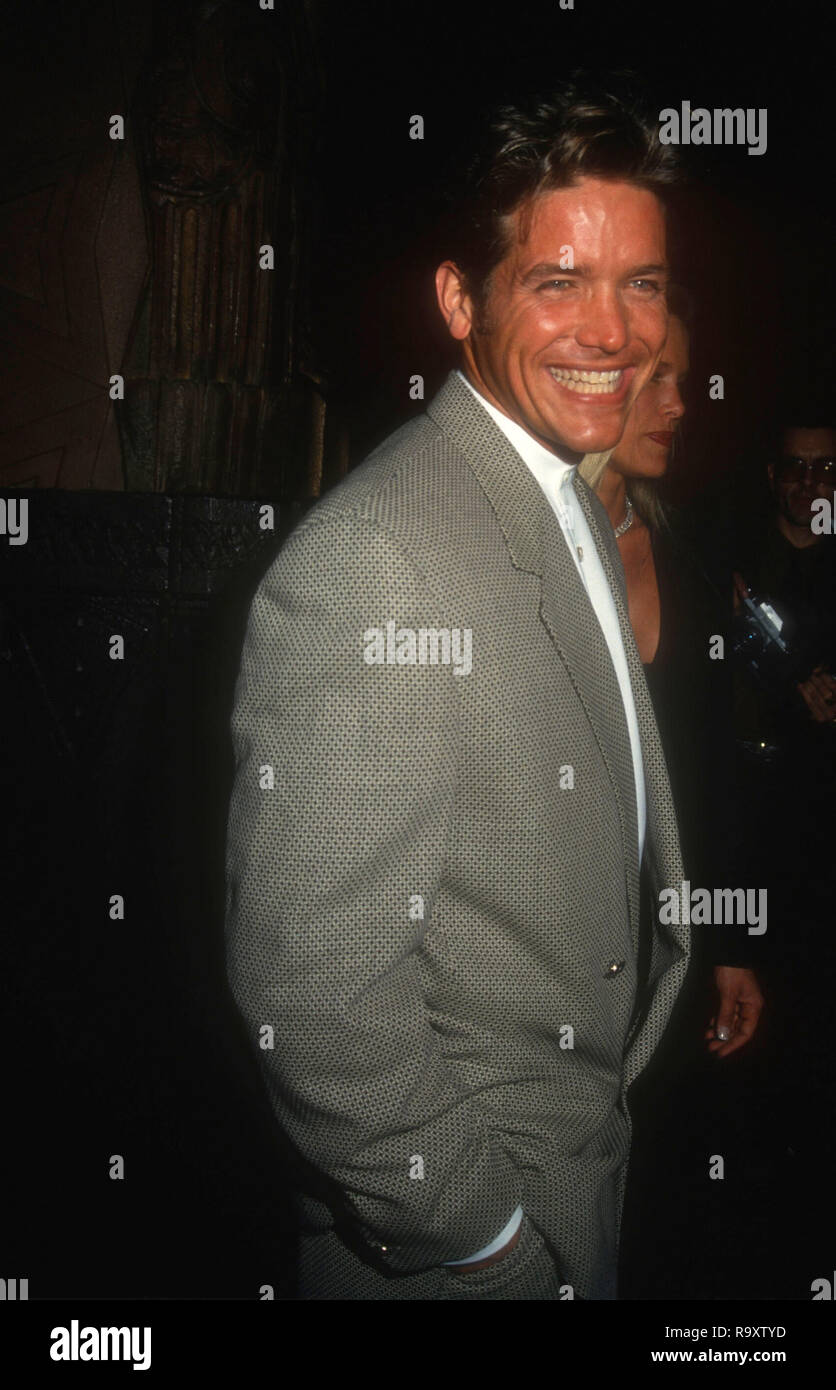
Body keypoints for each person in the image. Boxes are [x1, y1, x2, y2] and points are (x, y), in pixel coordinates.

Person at [224, 80, 690, 1301]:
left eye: (639, 282)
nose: (615, 332)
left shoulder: (558, 488)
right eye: (558, 282)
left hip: (578, 1159)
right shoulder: (378, 558)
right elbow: (316, 1004)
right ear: (456, 299)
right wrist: (481, 1238)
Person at [581, 311, 764, 1057]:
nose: (682, 403)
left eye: (681, 380)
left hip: (665, 951)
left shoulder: (691, 557)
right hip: (531, 958)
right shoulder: (510, 553)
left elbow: (713, 769)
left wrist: (731, 943)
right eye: (656, 376)